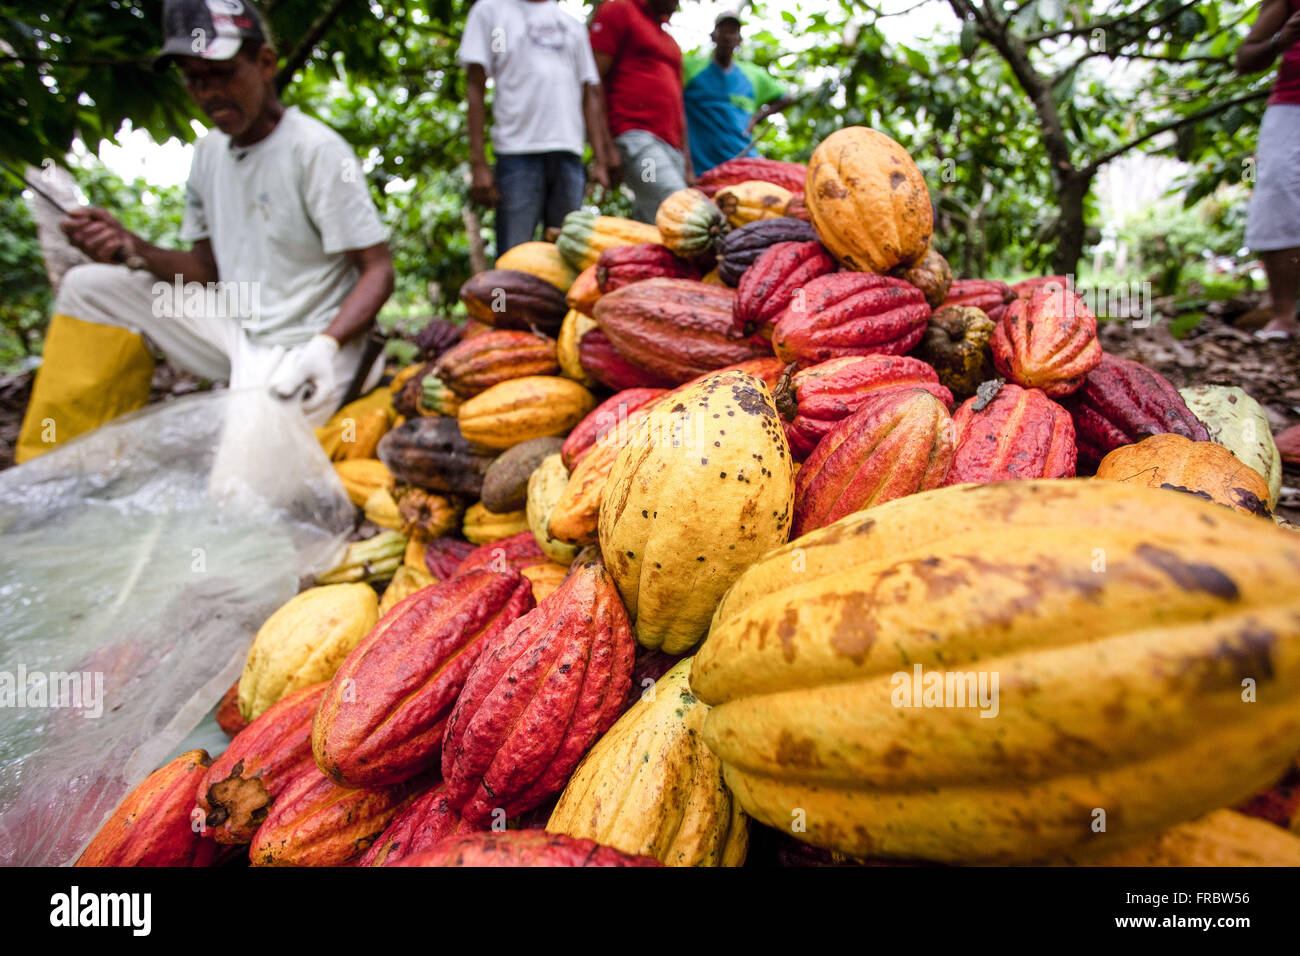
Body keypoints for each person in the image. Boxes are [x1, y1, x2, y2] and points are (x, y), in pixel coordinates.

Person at [16, 0, 394, 464]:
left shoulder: (315, 150)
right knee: (89, 288)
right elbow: (202, 271)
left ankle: (334, 386)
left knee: (239, 497)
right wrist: (128, 247)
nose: (210, 93)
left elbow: (378, 270)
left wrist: (327, 344)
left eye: (223, 74)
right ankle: (66, 462)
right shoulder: (208, 154)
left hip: (305, 342)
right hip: (237, 323)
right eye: (195, 79)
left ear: (265, 63)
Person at [459, 0, 613, 256]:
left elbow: (590, 95)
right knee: (515, 257)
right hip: (517, 153)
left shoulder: (572, 26)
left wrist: (600, 160)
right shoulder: (490, 11)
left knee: (568, 255)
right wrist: (478, 163)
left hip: (569, 154)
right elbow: (475, 86)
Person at [590, 0, 692, 223]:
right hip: (637, 137)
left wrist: (688, 166)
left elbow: (679, 109)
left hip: (672, 146)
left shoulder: (669, 41)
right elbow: (592, 82)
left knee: (654, 226)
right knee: (684, 213)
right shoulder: (621, 9)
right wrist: (604, 150)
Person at [1237, 0, 1300, 340]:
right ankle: (1284, 315)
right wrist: (1282, 38)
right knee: (1279, 203)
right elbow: (1245, 58)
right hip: (1293, 103)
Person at [682, 11, 795, 176]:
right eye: (723, 31)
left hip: (745, 163)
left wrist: (758, 116)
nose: (727, 37)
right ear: (713, 36)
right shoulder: (690, 69)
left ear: (739, 40)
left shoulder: (753, 75)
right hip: (703, 167)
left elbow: (787, 97)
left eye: (733, 31)